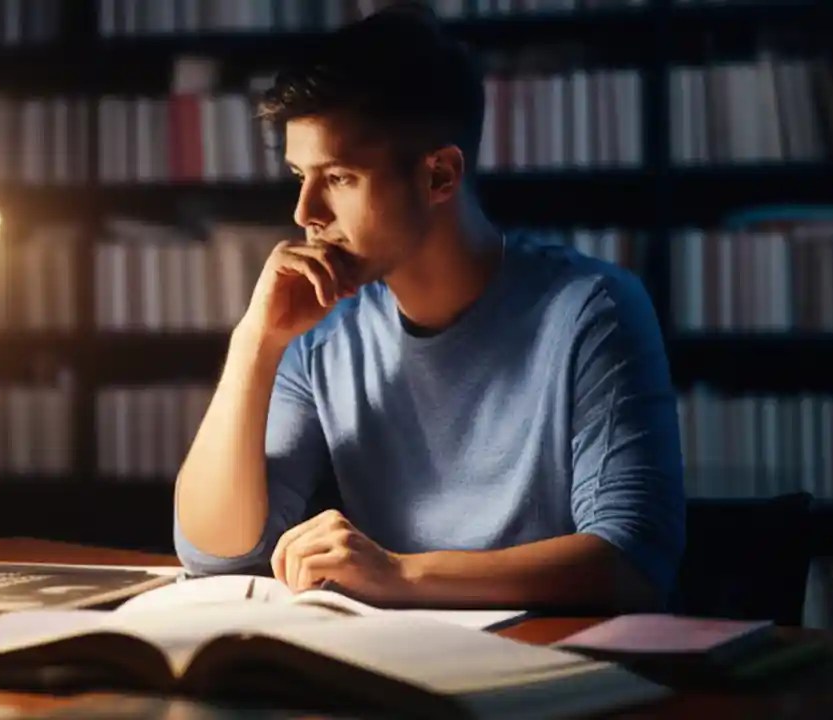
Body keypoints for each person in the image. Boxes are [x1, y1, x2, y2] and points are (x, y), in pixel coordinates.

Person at [172, 3, 684, 612]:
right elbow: (216, 551)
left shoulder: (592, 312)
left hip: (545, 673)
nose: (304, 212)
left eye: (338, 178)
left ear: (439, 176)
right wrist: (254, 345)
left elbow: (632, 560)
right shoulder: (320, 331)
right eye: (299, 175)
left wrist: (401, 575)